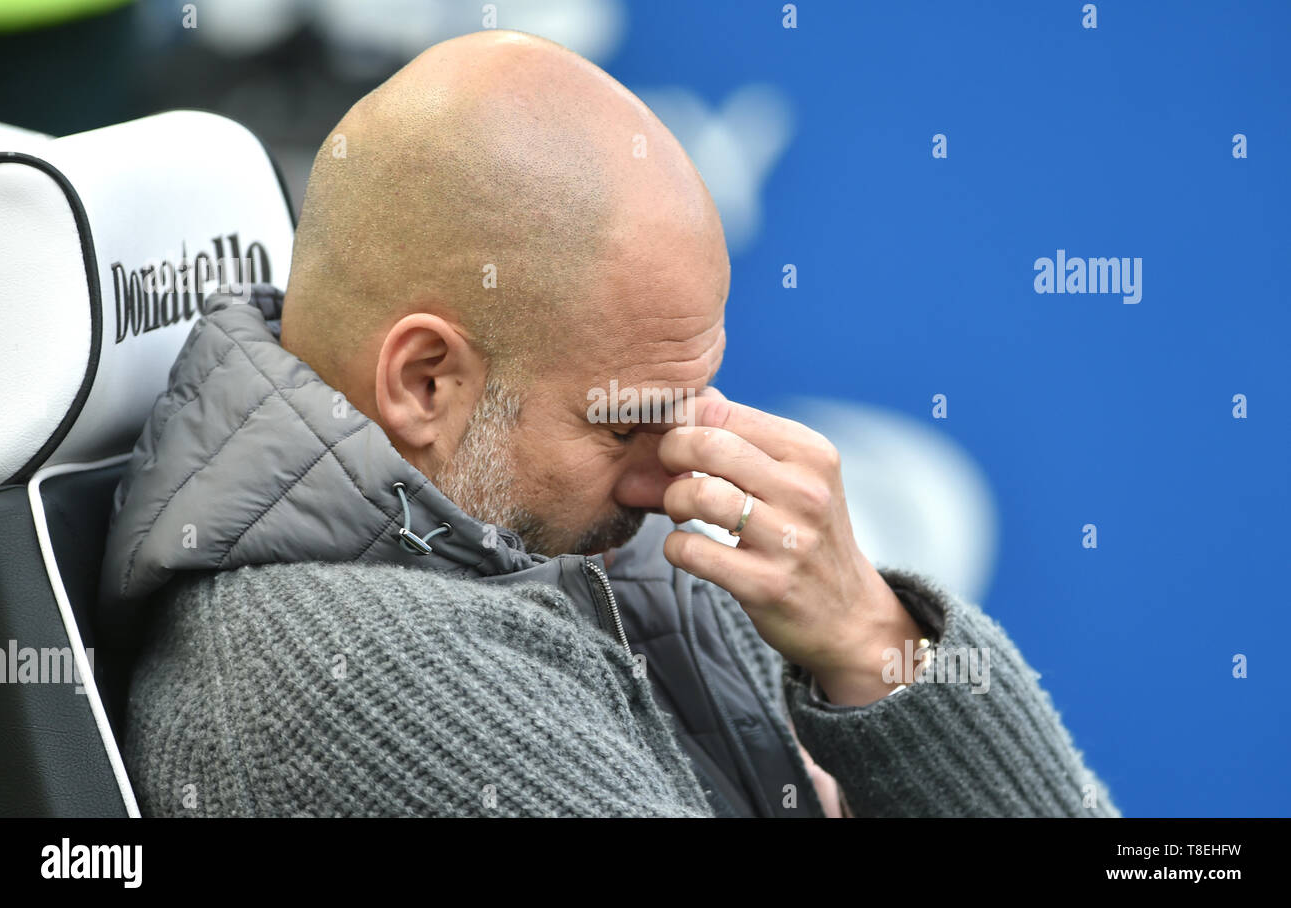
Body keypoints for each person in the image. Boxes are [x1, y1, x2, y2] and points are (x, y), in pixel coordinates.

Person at [102, 29, 1120, 817]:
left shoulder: (544, 529)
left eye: (693, 400)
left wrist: (868, 636)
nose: (670, 474)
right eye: (627, 422)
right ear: (422, 381)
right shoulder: (349, 681)